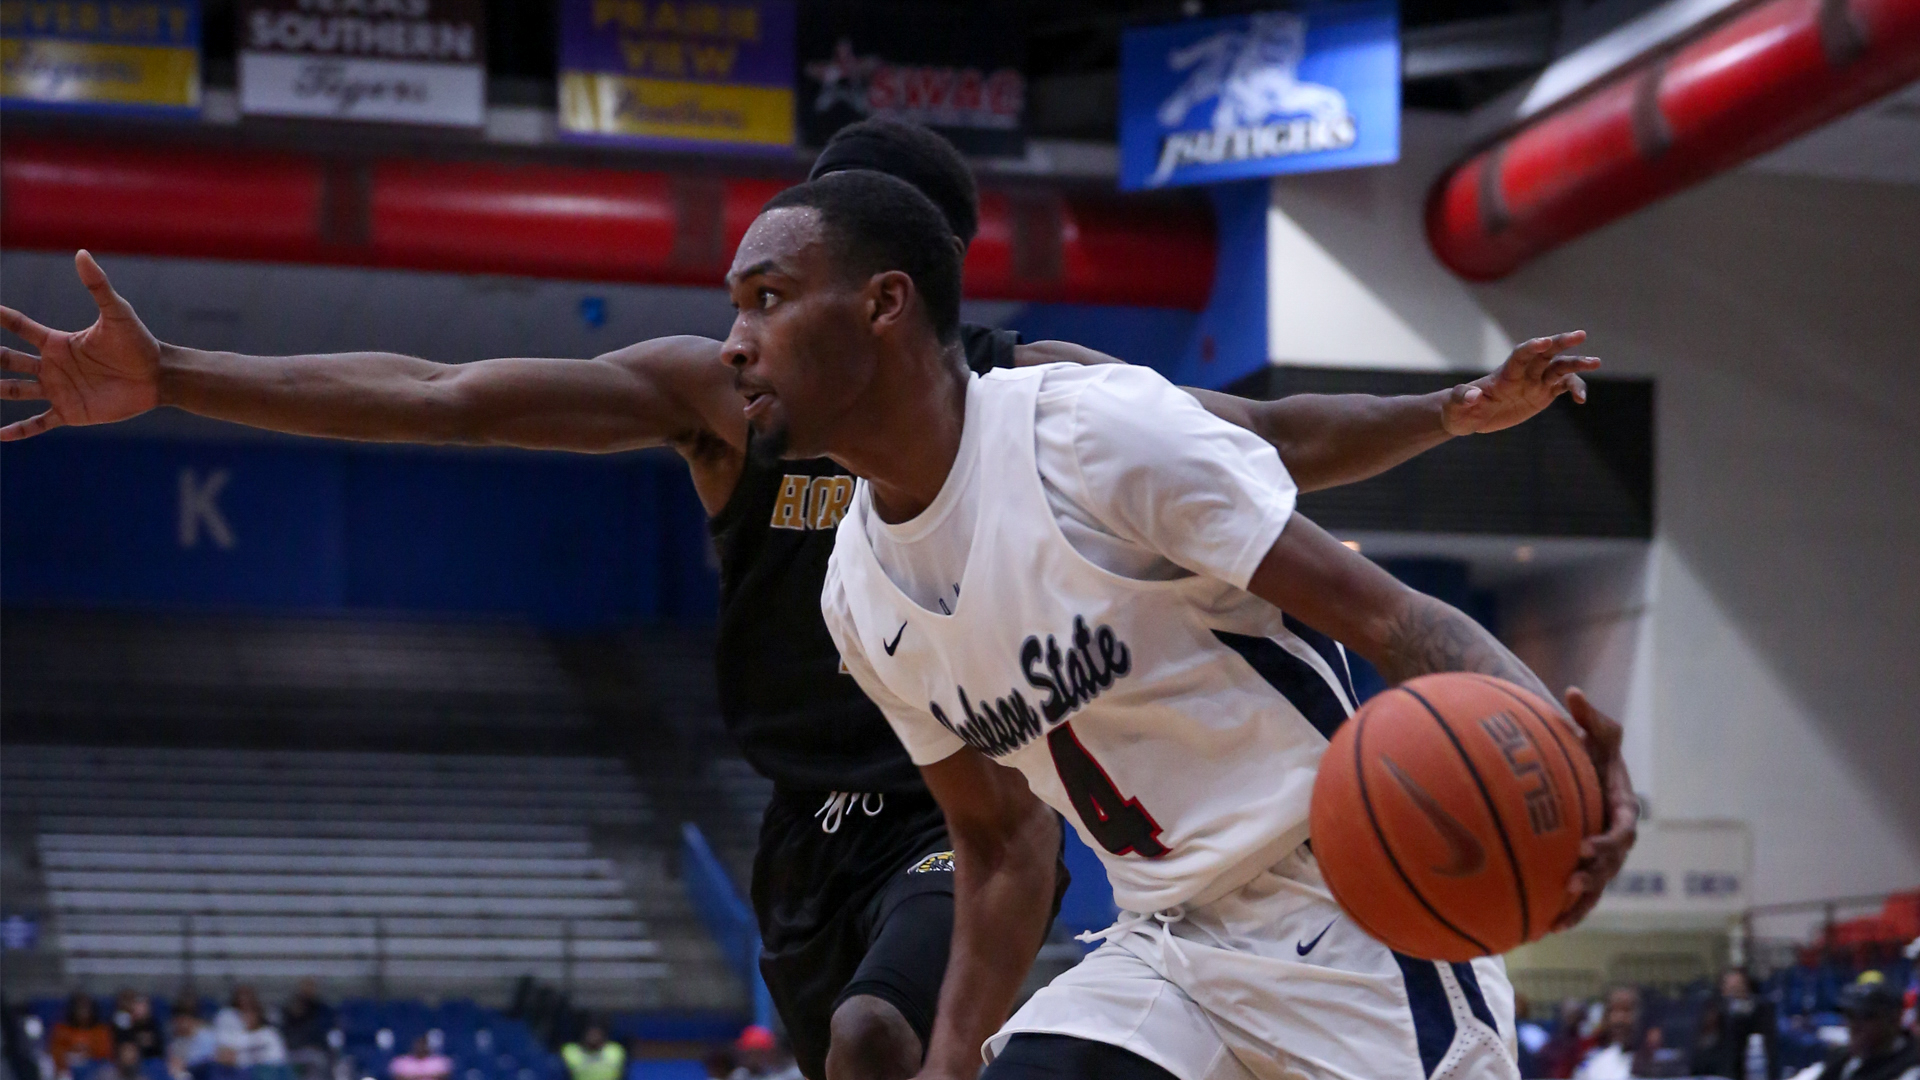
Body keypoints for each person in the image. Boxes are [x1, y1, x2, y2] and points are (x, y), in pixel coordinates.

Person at [0, 119, 1601, 1080]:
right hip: (858, 809)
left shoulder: (1065, 411)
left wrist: (1451, 421)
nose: (744, 327)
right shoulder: (766, 456)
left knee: (873, 1045)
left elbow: (1289, 465)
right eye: (744, 296)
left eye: (774, 290)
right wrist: (186, 375)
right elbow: (445, 392)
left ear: (892, 298)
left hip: (1291, 885)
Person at [731, 168, 1641, 1080]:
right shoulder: (856, 596)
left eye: (766, 299)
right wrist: (945, 1068)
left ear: (886, 303)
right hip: (1165, 947)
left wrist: (1572, 762)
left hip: (1355, 899)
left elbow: (1394, 619)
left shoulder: (1089, 436)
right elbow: (999, 842)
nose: (734, 345)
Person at [1788, 980, 1918, 1080]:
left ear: (1894, 1019)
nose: (1855, 1025)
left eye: (1866, 1016)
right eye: (1850, 1015)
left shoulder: (1911, 1066)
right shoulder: (1844, 1058)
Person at [1693, 969, 1777, 1080]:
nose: (1734, 992)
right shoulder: (1714, 1011)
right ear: (1722, 989)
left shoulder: (1760, 1011)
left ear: (1746, 987)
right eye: (1730, 987)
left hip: (1749, 1065)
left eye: (1738, 986)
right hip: (1721, 1068)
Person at [1574, 988, 1648, 1080]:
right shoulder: (1593, 1063)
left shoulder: (1657, 1062)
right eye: (1612, 1011)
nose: (1618, 1019)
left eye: (1627, 1010)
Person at [50, 994, 114, 1080]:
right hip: (67, 1070)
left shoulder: (101, 1031)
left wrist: (88, 1052)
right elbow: (56, 1053)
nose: (83, 1012)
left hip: (94, 1070)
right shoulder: (62, 1030)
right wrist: (71, 1055)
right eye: (80, 1008)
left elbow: (105, 1054)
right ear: (73, 1009)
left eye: (86, 1008)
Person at [113, 995, 165, 1061]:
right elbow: (121, 1045)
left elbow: (159, 1049)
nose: (139, 1010)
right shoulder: (124, 1025)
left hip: (150, 1060)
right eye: (137, 1006)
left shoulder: (155, 1026)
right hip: (128, 1061)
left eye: (142, 1007)